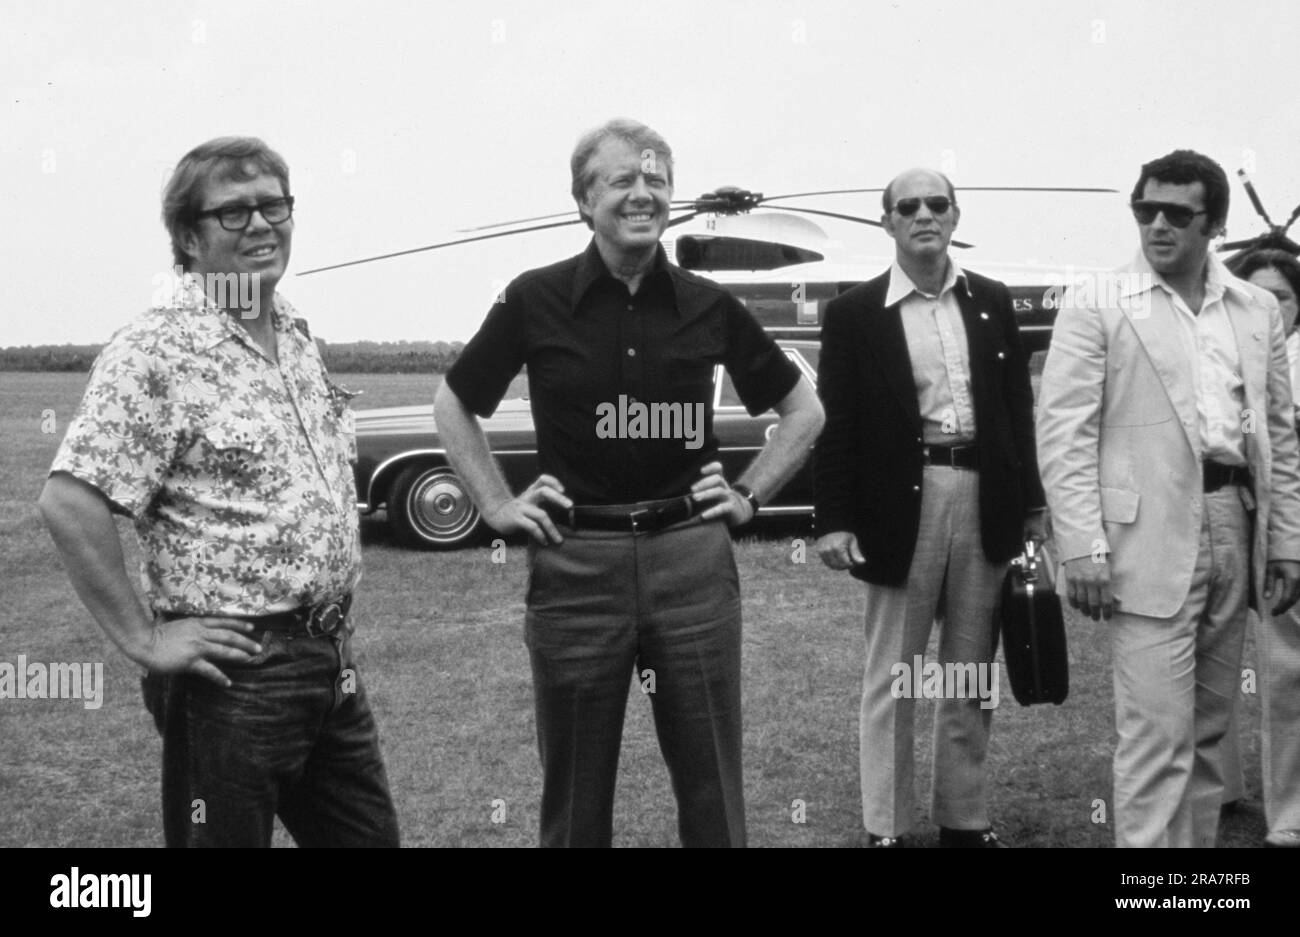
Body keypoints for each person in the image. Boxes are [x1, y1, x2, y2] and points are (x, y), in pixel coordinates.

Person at [433, 118, 824, 847]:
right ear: (584, 200)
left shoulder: (711, 304)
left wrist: (748, 494)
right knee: (576, 791)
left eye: (656, 180)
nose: (643, 193)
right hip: (575, 562)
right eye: (622, 180)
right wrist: (494, 502)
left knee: (712, 780)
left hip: (692, 560)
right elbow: (453, 403)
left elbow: (804, 408)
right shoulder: (533, 298)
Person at [37, 136, 400, 848]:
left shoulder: (293, 331)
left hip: (329, 660)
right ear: (188, 237)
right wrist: (144, 636)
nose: (261, 225)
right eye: (233, 212)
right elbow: (68, 500)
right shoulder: (157, 350)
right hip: (232, 674)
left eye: (273, 205)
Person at [1037, 149, 1300, 848]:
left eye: (1176, 213)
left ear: (1213, 222)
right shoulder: (1097, 303)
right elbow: (1064, 436)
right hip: (1139, 541)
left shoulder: (1255, 308)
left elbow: (1278, 437)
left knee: (1212, 735)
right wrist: (1084, 545)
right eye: (1144, 209)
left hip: (1232, 523)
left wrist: (1285, 541)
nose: (1157, 224)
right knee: (1155, 736)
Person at [813, 168, 1046, 848]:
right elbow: (838, 424)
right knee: (895, 670)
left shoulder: (992, 301)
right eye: (907, 206)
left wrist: (1032, 504)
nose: (924, 215)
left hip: (985, 496)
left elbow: (1015, 412)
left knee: (970, 668)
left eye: (936, 204)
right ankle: (886, 824)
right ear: (887, 222)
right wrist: (834, 518)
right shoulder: (855, 314)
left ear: (955, 215)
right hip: (900, 502)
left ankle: (964, 817)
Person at [1220, 248, 1300, 845]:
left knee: (1285, 671)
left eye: (1285, 297)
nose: (1271, 309)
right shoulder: (1225, 357)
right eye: (1258, 296)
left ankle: (1287, 810)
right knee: (1266, 670)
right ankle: (1268, 803)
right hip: (1253, 525)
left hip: (1285, 523)